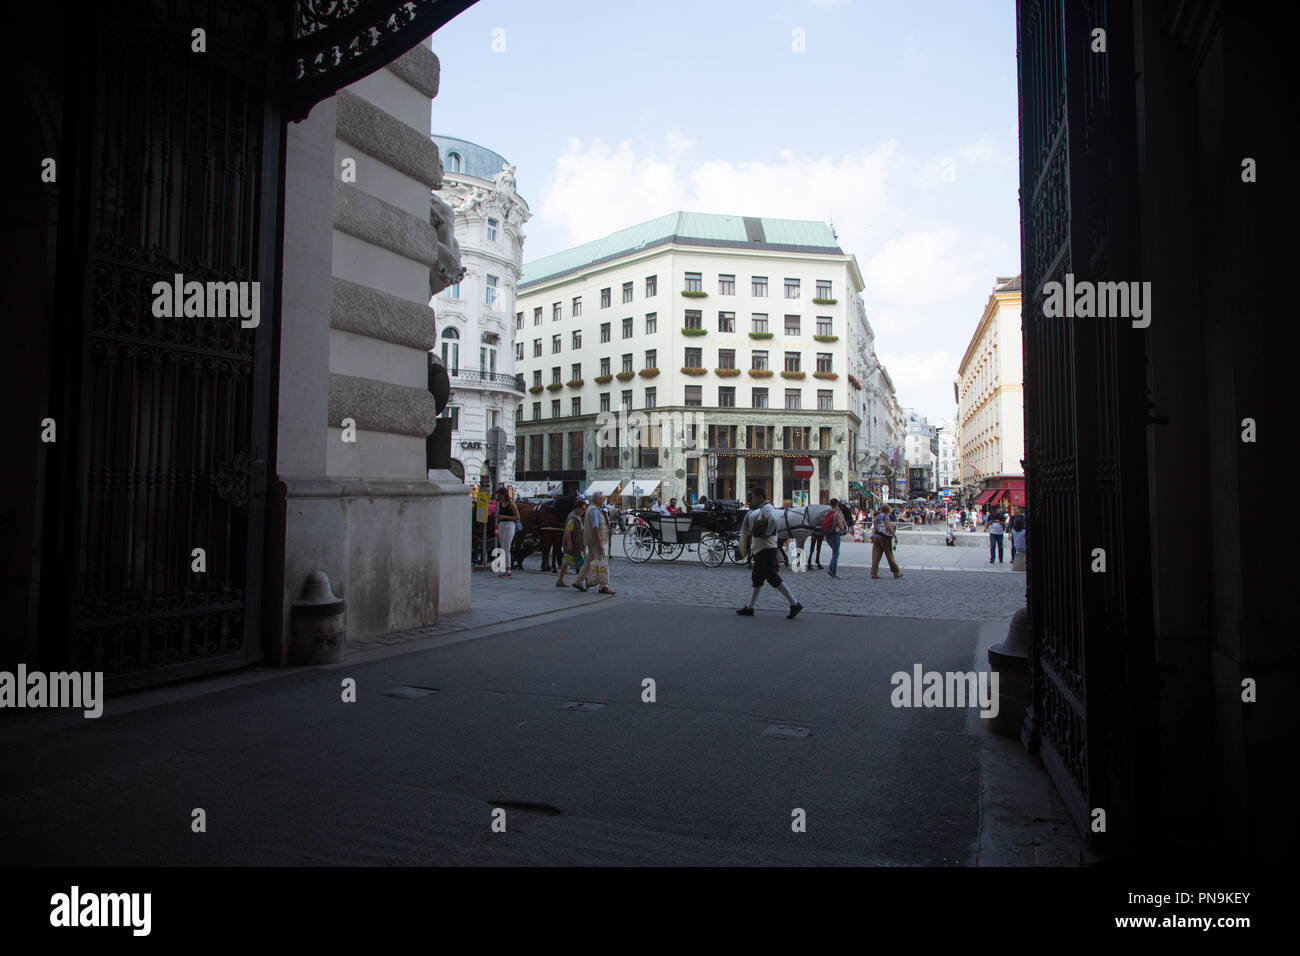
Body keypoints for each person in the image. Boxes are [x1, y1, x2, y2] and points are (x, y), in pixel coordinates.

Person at [736, 485, 802, 618]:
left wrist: (766, 533)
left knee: (771, 577)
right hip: (764, 549)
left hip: (765, 549)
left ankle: (794, 604)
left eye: (753, 496)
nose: (752, 499)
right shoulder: (764, 508)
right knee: (757, 578)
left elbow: (772, 519)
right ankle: (750, 607)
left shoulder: (766, 508)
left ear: (760, 497)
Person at [573, 491, 615, 594]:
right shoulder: (595, 511)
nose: (602, 500)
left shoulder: (592, 509)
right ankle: (603, 586)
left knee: (588, 562)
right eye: (601, 498)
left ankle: (578, 581)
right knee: (603, 561)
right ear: (596, 499)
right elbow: (595, 528)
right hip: (596, 542)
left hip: (593, 541)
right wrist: (600, 543)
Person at [556, 498, 587, 587]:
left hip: (577, 544)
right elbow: (567, 531)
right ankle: (582, 581)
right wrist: (569, 543)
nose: (583, 511)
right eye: (582, 509)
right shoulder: (572, 518)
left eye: (584, 509)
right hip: (574, 545)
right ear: (577, 508)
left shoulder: (577, 517)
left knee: (566, 562)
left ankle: (560, 580)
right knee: (582, 563)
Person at [870, 505, 903, 579]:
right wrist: (894, 535)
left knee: (875, 556)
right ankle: (896, 572)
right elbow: (888, 527)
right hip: (884, 538)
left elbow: (874, 527)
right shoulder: (885, 517)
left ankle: (874, 573)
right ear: (887, 510)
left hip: (876, 537)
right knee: (889, 555)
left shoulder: (877, 517)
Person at [494, 487, 519, 578]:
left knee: (506, 547)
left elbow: (517, 517)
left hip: (509, 525)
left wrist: (503, 516)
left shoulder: (511, 504)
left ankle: (508, 569)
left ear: (504, 495)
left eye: (500, 495)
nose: (499, 497)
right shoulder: (500, 504)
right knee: (502, 547)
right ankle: (505, 568)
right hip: (502, 525)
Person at [824, 497, 849, 579]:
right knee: (836, 553)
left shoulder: (827, 513)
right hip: (835, 535)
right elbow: (841, 525)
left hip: (828, 534)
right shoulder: (837, 514)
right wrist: (843, 530)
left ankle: (831, 570)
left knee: (834, 552)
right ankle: (833, 572)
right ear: (837, 504)